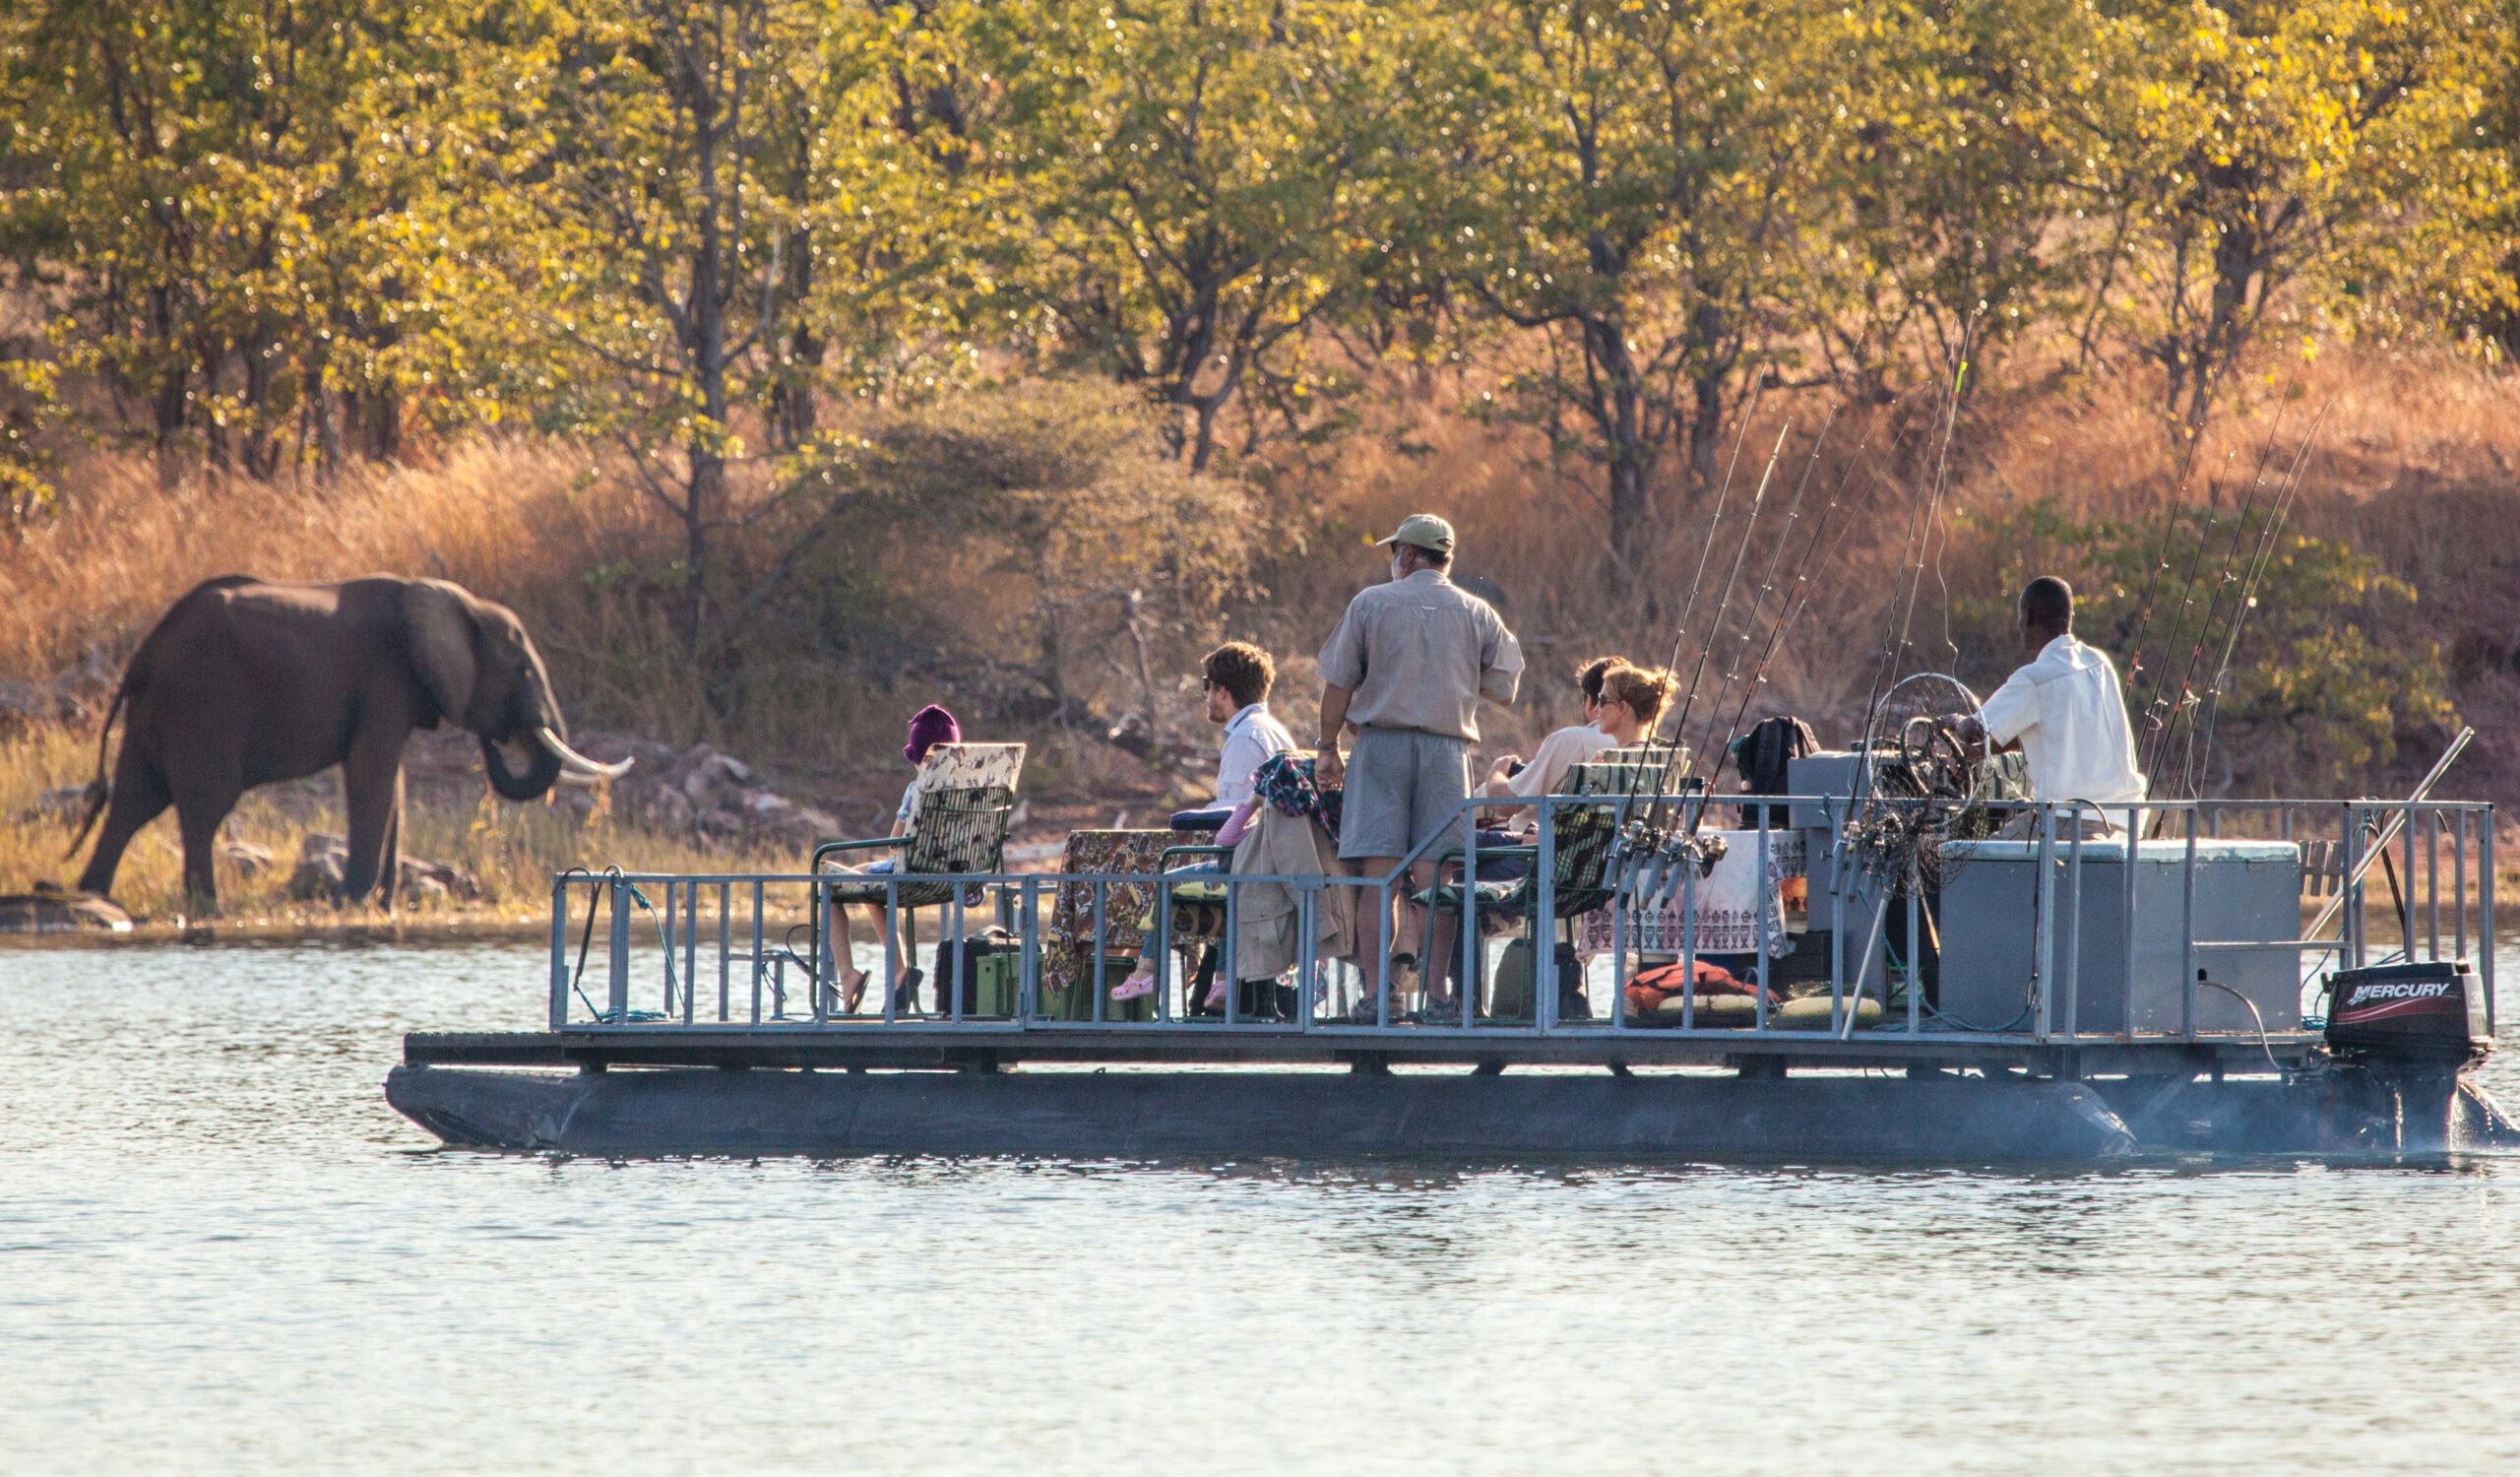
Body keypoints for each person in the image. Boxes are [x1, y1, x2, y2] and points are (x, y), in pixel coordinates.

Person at [1314, 513, 1524, 1016]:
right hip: (1446, 755)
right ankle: (1437, 997)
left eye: (1394, 551)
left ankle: (1375, 995)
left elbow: (1338, 684)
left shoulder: (1370, 603)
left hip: (1379, 749)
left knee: (1378, 878)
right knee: (1438, 882)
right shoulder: (1478, 613)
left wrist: (1326, 747)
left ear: (1407, 554)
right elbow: (1504, 689)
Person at [1111, 643, 1293, 1000]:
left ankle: (1147, 972)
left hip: (1250, 868)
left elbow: (1232, 821)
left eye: (1206, 685)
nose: (1205, 695)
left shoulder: (1244, 739)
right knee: (1221, 873)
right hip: (1277, 861)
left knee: (1169, 880)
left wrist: (1188, 817)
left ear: (1223, 690)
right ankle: (1222, 980)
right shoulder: (1273, 731)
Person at [1959, 576, 2147, 837]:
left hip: (2065, 821)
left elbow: (1973, 731)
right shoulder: (2100, 663)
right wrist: (1996, 748)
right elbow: (2064, 735)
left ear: (2028, 616)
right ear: (2071, 615)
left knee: (1977, 861)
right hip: (2125, 820)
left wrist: (1954, 722)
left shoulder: (2034, 678)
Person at [826, 703, 961, 1011]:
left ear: (919, 757)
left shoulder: (918, 788)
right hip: (954, 878)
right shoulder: (969, 787)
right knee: (868, 886)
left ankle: (848, 975)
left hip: (913, 874)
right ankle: (900, 971)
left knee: (833, 882)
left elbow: (894, 843)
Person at [1479, 658, 1670, 826]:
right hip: (1629, 860)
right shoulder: (1660, 760)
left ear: (1622, 707)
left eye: (1603, 701)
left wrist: (1495, 774)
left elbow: (1506, 804)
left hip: (1550, 856)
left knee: (1462, 846)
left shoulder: (1600, 760)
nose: (1598, 710)